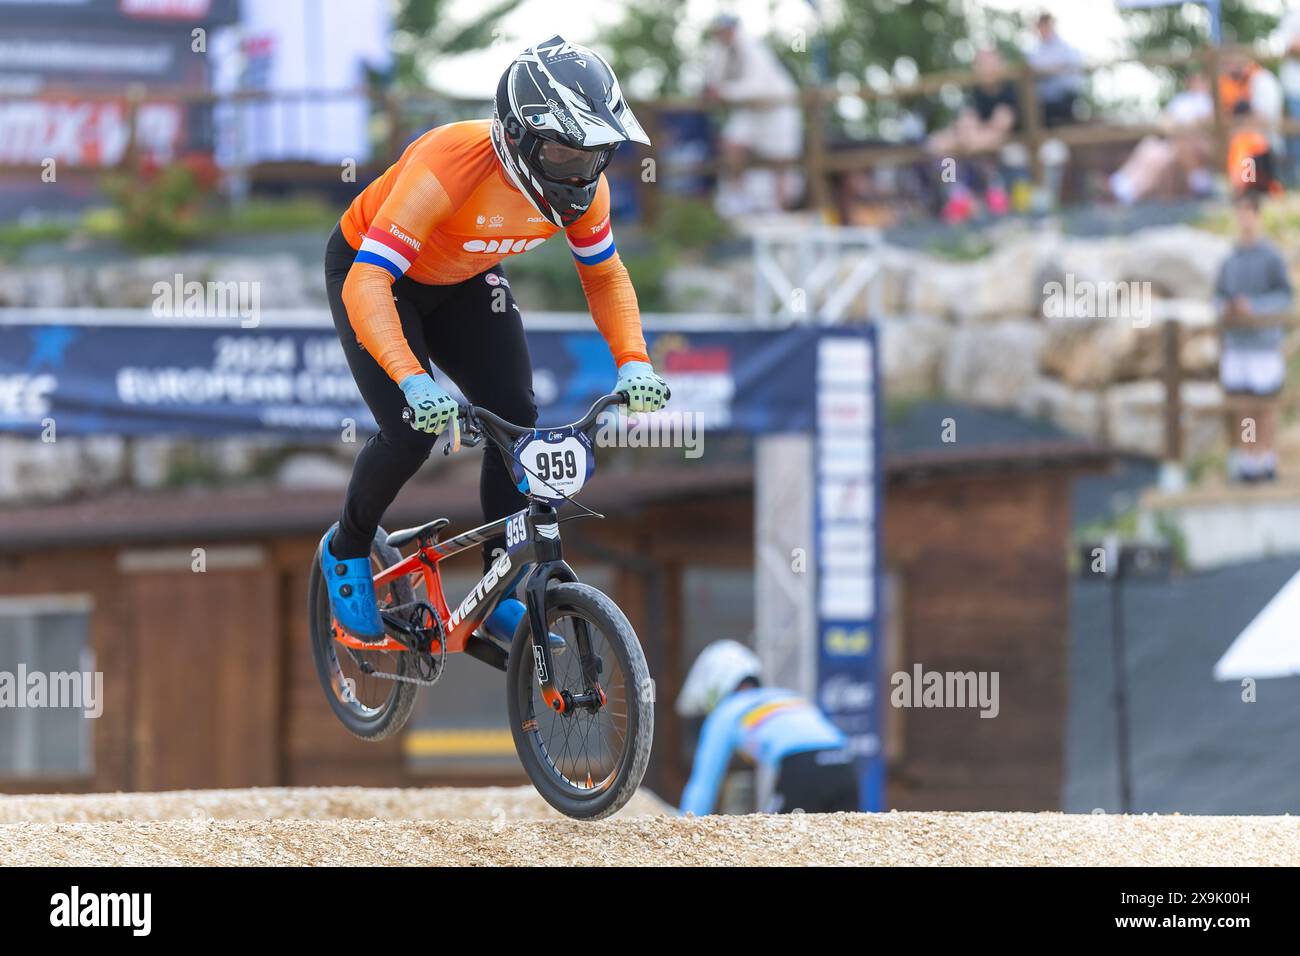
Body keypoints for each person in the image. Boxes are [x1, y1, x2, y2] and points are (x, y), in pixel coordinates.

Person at [320, 36, 671, 641]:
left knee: (516, 419)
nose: (580, 172)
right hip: (374, 272)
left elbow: (606, 277)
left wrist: (634, 362)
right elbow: (368, 281)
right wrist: (412, 378)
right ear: (516, 137)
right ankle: (347, 547)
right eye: (564, 153)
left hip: (466, 275)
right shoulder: (447, 162)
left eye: (595, 155)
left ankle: (501, 586)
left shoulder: (588, 191)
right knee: (409, 432)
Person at [676, 640, 859, 815]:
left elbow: (703, 786)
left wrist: (682, 829)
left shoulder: (726, 712)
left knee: (779, 841)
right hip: (845, 764)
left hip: (803, 768)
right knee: (842, 843)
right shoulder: (786, 696)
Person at [1214, 192, 1293, 483]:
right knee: (1244, 406)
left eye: (1249, 213)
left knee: (1266, 404)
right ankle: (1248, 459)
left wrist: (1256, 309)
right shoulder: (1230, 258)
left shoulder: (1271, 256)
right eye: (1240, 213)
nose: (1245, 219)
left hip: (1263, 343)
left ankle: (1267, 457)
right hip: (1239, 344)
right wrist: (1228, 309)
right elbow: (1218, 295)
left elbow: (1284, 295)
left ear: (1257, 217)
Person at [702, 14, 804, 216]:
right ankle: (738, 198)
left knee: (780, 160)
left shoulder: (753, 49)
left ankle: (779, 210)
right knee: (731, 143)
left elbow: (756, 87)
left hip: (777, 108)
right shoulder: (721, 52)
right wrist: (714, 90)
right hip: (751, 108)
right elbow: (713, 81)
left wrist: (722, 92)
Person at [926, 48, 1019, 220]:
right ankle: (958, 195)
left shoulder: (1009, 90)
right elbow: (967, 119)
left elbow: (1002, 125)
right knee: (939, 145)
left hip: (1006, 142)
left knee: (980, 144)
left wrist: (972, 132)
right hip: (975, 138)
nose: (985, 67)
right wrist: (967, 132)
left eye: (989, 61)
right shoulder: (976, 91)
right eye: (981, 63)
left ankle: (991, 194)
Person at [1108, 72, 1214, 205]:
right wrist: (1178, 129)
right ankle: (1119, 182)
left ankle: (1128, 192)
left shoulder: (1210, 101)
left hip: (1191, 144)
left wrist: (1180, 129)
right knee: (1149, 145)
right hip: (1175, 141)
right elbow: (1165, 122)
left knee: (1159, 158)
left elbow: (1203, 125)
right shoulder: (1181, 100)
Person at [1026, 12, 1084, 127]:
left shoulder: (1065, 48)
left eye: (1045, 25)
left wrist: (1049, 71)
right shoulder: (1035, 51)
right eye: (1040, 26)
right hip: (1042, 102)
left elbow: (1073, 77)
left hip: (1063, 98)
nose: (1042, 29)